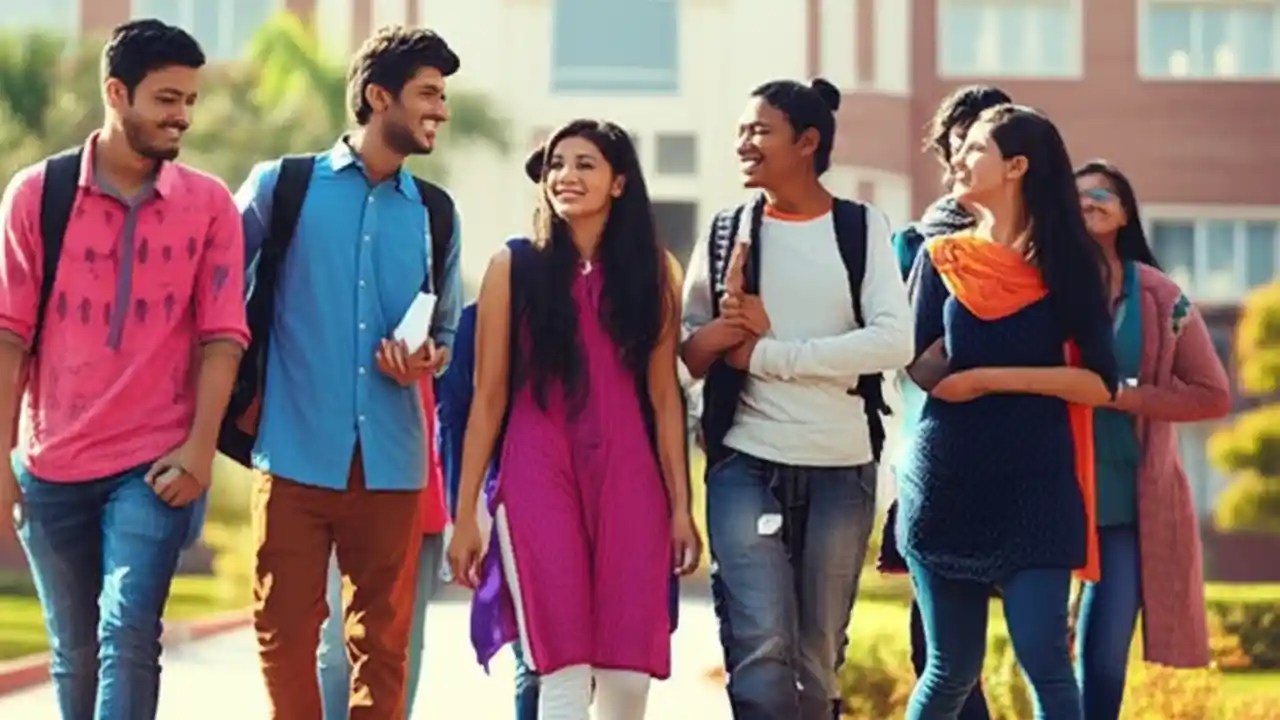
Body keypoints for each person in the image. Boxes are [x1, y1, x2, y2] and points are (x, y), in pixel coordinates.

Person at [0, 20, 247, 719]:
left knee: (128, 630)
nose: (183, 117)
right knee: (74, 650)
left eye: (190, 101)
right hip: (51, 468)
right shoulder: (36, 195)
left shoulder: (209, 205)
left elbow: (222, 337)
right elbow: (9, 337)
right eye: (167, 99)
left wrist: (199, 451)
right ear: (117, 92)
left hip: (155, 464)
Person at [236, 26, 463, 720]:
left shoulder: (435, 213)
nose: (440, 110)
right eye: (427, 93)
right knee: (284, 631)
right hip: (296, 452)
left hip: (392, 462)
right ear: (377, 95)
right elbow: (215, 296)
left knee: (385, 645)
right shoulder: (284, 187)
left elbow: (446, 330)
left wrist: (428, 359)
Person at [447, 119, 701, 720]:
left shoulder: (654, 272)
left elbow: (666, 397)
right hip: (538, 472)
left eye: (586, 164)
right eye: (557, 164)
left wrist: (681, 507)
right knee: (562, 667)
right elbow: (487, 399)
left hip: (630, 476)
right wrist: (464, 517)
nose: (566, 176)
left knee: (626, 676)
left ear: (618, 182)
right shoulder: (512, 267)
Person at [682, 78, 913, 720]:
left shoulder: (860, 229)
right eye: (740, 131)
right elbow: (687, 350)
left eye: (760, 131)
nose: (743, 144)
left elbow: (893, 341)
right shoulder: (728, 230)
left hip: (840, 467)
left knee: (817, 654)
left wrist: (769, 352)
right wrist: (725, 333)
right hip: (745, 462)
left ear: (807, 142)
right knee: (759, 647)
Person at [898, 103, 1118, 720]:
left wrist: (991, 378)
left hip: (1037, 485)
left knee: (1046, 662)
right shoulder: (941, 258)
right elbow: (917, 364)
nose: (958, 160)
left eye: (973, 149)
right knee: (948, 672)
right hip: (946, 482)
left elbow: (1100, 383)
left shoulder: (1071, 264)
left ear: (1017, 166)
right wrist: (933, 369)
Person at [1071, 160, 1230, 719]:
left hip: (1126, 499)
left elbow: (1213, 394)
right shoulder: (1038, 283)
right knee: (1038, 651)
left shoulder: (1162, 297)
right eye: (1075, 194)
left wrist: (1122, 395)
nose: (1087, 201)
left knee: (1106, 656)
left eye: (1101, 194)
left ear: (1125, 212)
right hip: (1049, 489)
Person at [876, 84, 1011, 720]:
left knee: (1041, 639)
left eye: (983, 136)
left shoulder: (1040, 243)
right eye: (960, 137)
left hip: (1023, 452)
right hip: (937, 447)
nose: (967, 149)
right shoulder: (913, 244)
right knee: (937, 649)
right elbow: (906, 348)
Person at [316, 374, 450, 720]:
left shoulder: (438, 322)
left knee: (398, 647)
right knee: (334, 651)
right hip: (338, 482)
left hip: (417, 496)